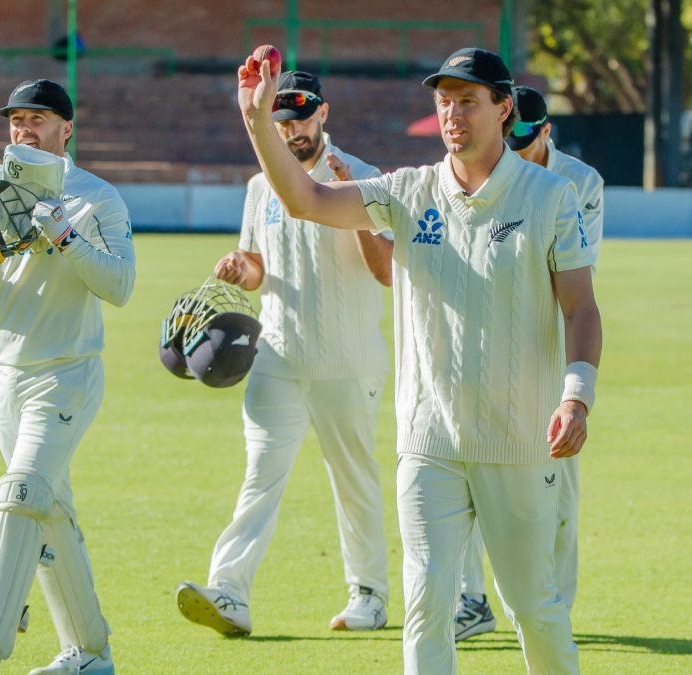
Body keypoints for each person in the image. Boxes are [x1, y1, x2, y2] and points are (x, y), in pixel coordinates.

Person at [236, 47, 601, 674]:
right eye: (443, 101)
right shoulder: (408, 190)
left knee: (533, 607)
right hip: (428, 441)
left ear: (503, 106)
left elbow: (581, 307)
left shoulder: (550, 196)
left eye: (467, 100)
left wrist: (576, 395)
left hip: (518, 439)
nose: (452, 113)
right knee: (428, 603)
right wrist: (256, 121)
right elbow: (307, 200)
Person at [174, 71, 396, 636]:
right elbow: (257, 269)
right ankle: (229, 593)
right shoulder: (259, 187)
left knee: (354, 479)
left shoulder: (362, 176)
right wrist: (237, 268)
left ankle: (369, 594)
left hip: (349, 359)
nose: (292, 128)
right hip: (277, 357)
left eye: (301, 116)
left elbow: (385, 271)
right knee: (259, 475)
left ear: (324, 113)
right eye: (281, 118)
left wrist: (358, 200)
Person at [0, 79, 136, 675]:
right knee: (49, 513)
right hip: (4, 375)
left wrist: (66, 236)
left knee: (21, 491)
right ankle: (90, 652)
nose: (24, 128)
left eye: (38, 118)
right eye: (16, 119)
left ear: (67, 128)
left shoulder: (95, 197)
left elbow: (120, 286)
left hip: (67, 373)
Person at [454, 85, 604, 641]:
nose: (513, 152)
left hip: (543, 347)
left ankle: (553, 607)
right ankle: (470, 600)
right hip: (479, 346)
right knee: (460, 470)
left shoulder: (579, 183)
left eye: (525, 140)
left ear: (545, 132)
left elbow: (571, 277)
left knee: (557, 493)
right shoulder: (482, 171)